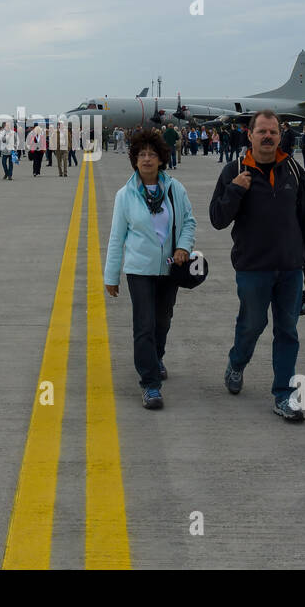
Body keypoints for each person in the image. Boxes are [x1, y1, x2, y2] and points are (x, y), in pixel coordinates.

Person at [210, 110, 305, 422]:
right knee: (252, 325)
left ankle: (284, 395)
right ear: (250, 135)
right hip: (252, 268)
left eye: (273, 131)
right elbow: (217, 219)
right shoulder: (234, 170)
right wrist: (235, 189)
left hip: (290, 268)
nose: (268, 136)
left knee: (288, 331)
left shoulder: (294, 171)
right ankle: (237, 362)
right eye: (262, 131)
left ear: (280, 135)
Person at [104, 128, 196, 410]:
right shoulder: (125, 194)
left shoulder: (174, 188)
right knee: (143, 325)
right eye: (142, 154)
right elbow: (117, 236)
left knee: (163, 320)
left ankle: (156, 358)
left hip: (170, 267)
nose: (147, 159)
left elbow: (189, 222)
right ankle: (150, 384)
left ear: (160, 159)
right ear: (134, 159)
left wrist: (183, 247)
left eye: (152, 154)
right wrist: (111, 274)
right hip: (139, 269)